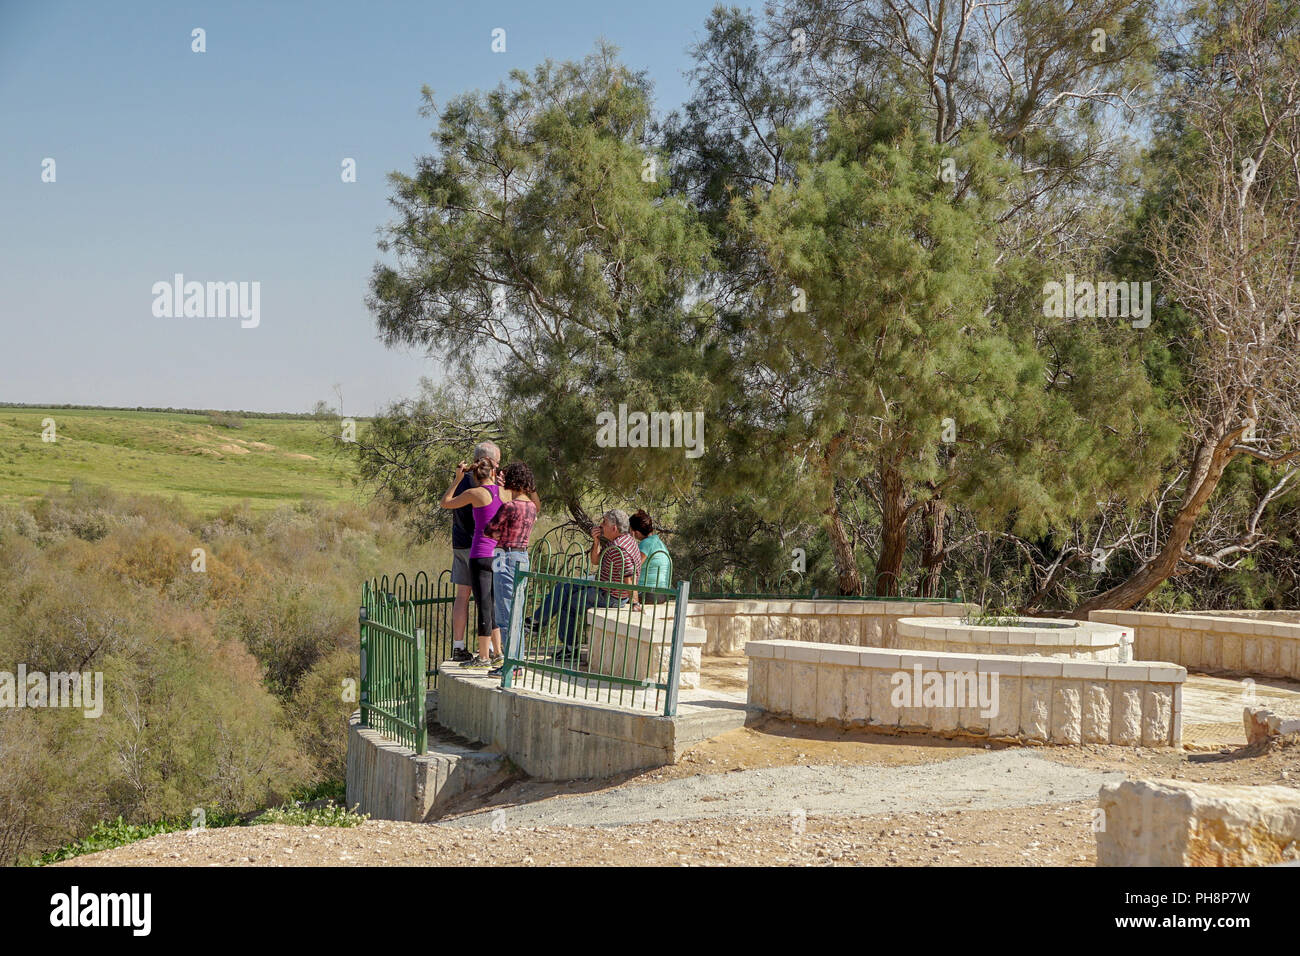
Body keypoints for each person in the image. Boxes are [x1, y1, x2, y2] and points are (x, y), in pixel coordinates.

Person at [530, 510, 642, 663]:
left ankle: (569, 648)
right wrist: (596, 541)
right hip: (602, 582)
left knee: (568, 604)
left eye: (604, 523)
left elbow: (629, 578)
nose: (600, 525)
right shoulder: (624, 539)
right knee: (564, 585)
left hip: (609, 594)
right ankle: (537, 622)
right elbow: (595, 561)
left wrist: (634, 602)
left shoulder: (619, 548)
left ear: (614, 528)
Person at [440, 456, 504, 668]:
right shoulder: (501, 492)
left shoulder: (474, 493)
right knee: (493, 602)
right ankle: (498, 652)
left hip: (480, 553)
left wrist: (458, 479)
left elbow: (445, 502)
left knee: (483, 604)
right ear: (493, 473)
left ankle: (484, 657)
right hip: (499, 553)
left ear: (475, 476)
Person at [483, 462, 541, 678]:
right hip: (522, 556)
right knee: (517, 610)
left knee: (505, 613)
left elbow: (490, 530)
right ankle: (518, 659)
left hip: (504, 557)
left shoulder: (509, 506)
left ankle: (512, 665)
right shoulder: (532, 507)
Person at [629, 509, 671, 609]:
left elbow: (631, 569)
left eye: (630, 530)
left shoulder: (646, 544)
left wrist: (630, 541)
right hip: (662, 594)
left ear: (636, 533)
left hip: (648, 594)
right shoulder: (658, 542)